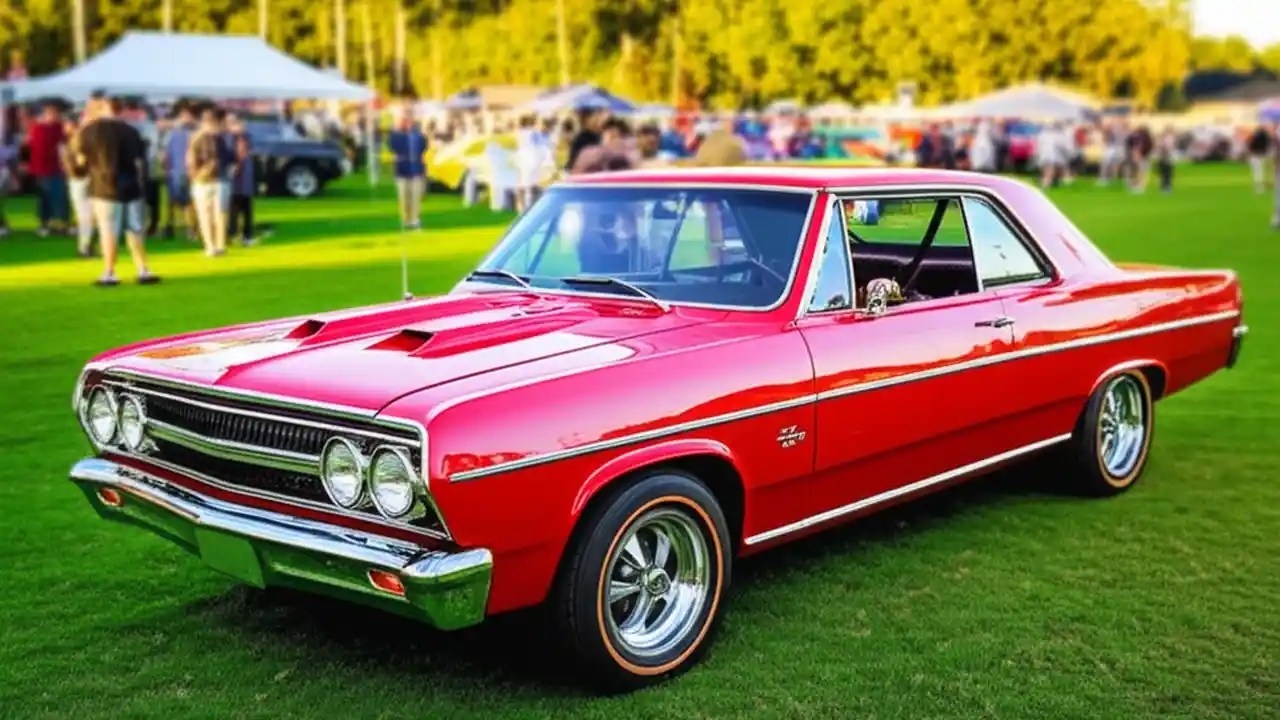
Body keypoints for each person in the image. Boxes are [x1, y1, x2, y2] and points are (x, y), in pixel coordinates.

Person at [76, 95, 159, 286]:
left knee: (108, 230)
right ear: (120, 110)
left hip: (103, 187)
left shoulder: (88, 131)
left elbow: (80, 161)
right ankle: (143, 268)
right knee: (135, 230)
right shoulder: (131, 131)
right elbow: (139, 162)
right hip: (130, 186)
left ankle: (110, 271)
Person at [188, 105, 227, 256]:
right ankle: (210, 246)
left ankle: (218, 244)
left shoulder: (218, 139)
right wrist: (197, 175)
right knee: (205, 215)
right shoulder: (197, 138)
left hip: (216, 179)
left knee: (219, 214)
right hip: (202, 181)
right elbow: (191, 160)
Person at [28, 101, 70, 236]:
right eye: (51, 113)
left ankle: (62, 223)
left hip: (58, 168)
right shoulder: (38, 129)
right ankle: (45, 223)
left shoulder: (60, 128)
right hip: (43, 169)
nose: (54, 116)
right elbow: (36, 149)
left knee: (60, 196)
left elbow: (65, 144)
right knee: (45, 197)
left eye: (56, 113)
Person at [386, 104, 428, 229]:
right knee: (403, 196)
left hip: (416, 168)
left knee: (416, 195)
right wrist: (398, 129)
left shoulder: (419, 134)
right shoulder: (396, 134)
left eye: (410, 116)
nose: (407, 120)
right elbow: (392, 146)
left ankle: (415, 219)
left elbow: (424, 146)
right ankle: (405, 219)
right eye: (405, 117)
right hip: (402, 169)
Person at [64, 109, 95, 256]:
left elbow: (81, 161)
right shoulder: (80, 138)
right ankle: (86, 245)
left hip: (80, 179)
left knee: (84, 215)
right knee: (85, 215)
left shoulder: (78, 139)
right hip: (81, 178)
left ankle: (85, 246)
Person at [164, 104, 196, 239]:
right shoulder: (172, 134)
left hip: (186, 172)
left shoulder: (193, 134)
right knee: (173, 201)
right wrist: (167, 169)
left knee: (187, 202)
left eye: (187, 115)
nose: (184, 119)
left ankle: (190, 229)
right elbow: (167, 154)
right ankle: (170, 228)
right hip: (175, 172)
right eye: (182, 116)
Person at [226, 115, 257, 246]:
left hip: (246, 179)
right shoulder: (227, 139)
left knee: (247, 209)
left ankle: (247, 235)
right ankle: (231, 234)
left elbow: (249, 153)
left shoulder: (247, 137)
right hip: (233, 180)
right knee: (233, 209)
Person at [1247, 123, 1273, 194]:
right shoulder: (1267, 136)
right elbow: (1268, 145)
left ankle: (1259, 186)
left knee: (1257, 171)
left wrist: (1250, 152)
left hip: (1256, 154)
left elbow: (1251, 145)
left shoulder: (1255, 136)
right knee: (1262, 171)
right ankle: (1264, 184)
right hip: (1263, 154)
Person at [1128, 125, 1154, 193]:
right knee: (1139, 172)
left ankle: (1140, 187)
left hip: (1143, 157)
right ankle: (1137, 186)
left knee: (1141, 172)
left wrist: (1140, 155)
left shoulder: (1145, 139)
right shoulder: (1140, 138)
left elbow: (1148, 148)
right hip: (1140, 157)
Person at [1155, 126, 1177, 193]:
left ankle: (1167, 187)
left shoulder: (1169, 138)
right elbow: (1160, 147)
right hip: (1163, 157)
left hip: (1167, 157)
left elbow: (1169, 147)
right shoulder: (1164, 138)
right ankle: (1165, 187)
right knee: (1164, 173)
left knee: (1167, 173)